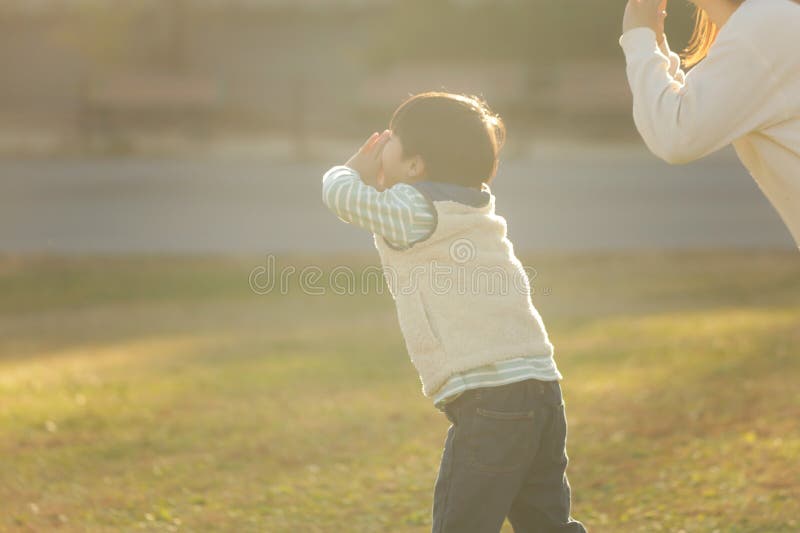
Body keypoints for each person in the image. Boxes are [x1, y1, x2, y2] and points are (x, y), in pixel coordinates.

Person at [321, 91, 587, 532]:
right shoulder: (472, 206)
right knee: (547, 523)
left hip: (491, 398)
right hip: (541, 386)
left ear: (414, 166)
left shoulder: (416, 209)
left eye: (392, 138)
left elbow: (342, 197)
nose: (381, 143)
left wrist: (349, 170)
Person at [619, 0, 800, 249]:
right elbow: (688, 111)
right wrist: (655, 42)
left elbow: (674, 135)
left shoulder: (765, 22)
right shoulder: (767, 21)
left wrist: (639, 37)